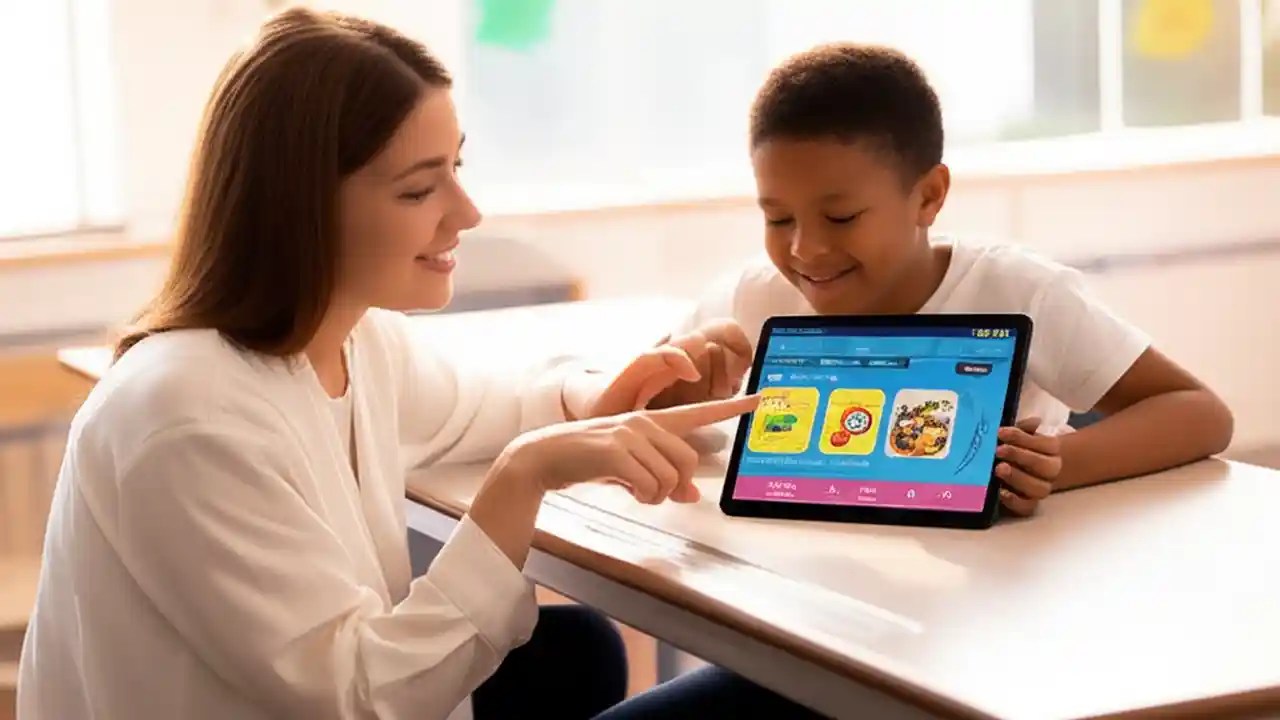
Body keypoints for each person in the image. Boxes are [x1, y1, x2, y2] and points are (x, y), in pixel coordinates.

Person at [17, 9, 825, 720]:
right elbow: (361, 699)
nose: (466, 214)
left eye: (458, 169)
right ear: (301, 208)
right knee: (787, 695)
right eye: (416, 190)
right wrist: (519, 480)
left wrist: (611, 396)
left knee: (576, 648)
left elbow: (492, 404)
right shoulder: (184, 419)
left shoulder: (351, 343)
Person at [667, 43, 1233, 516]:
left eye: (841, 218)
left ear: (929, 196)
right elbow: (632, 408)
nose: (804, 249)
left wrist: (1062, 464)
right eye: (777, 218)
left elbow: (1199, 412)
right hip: (803, 594)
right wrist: (678, 394)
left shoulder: (1020, 291)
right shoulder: (752, 295)